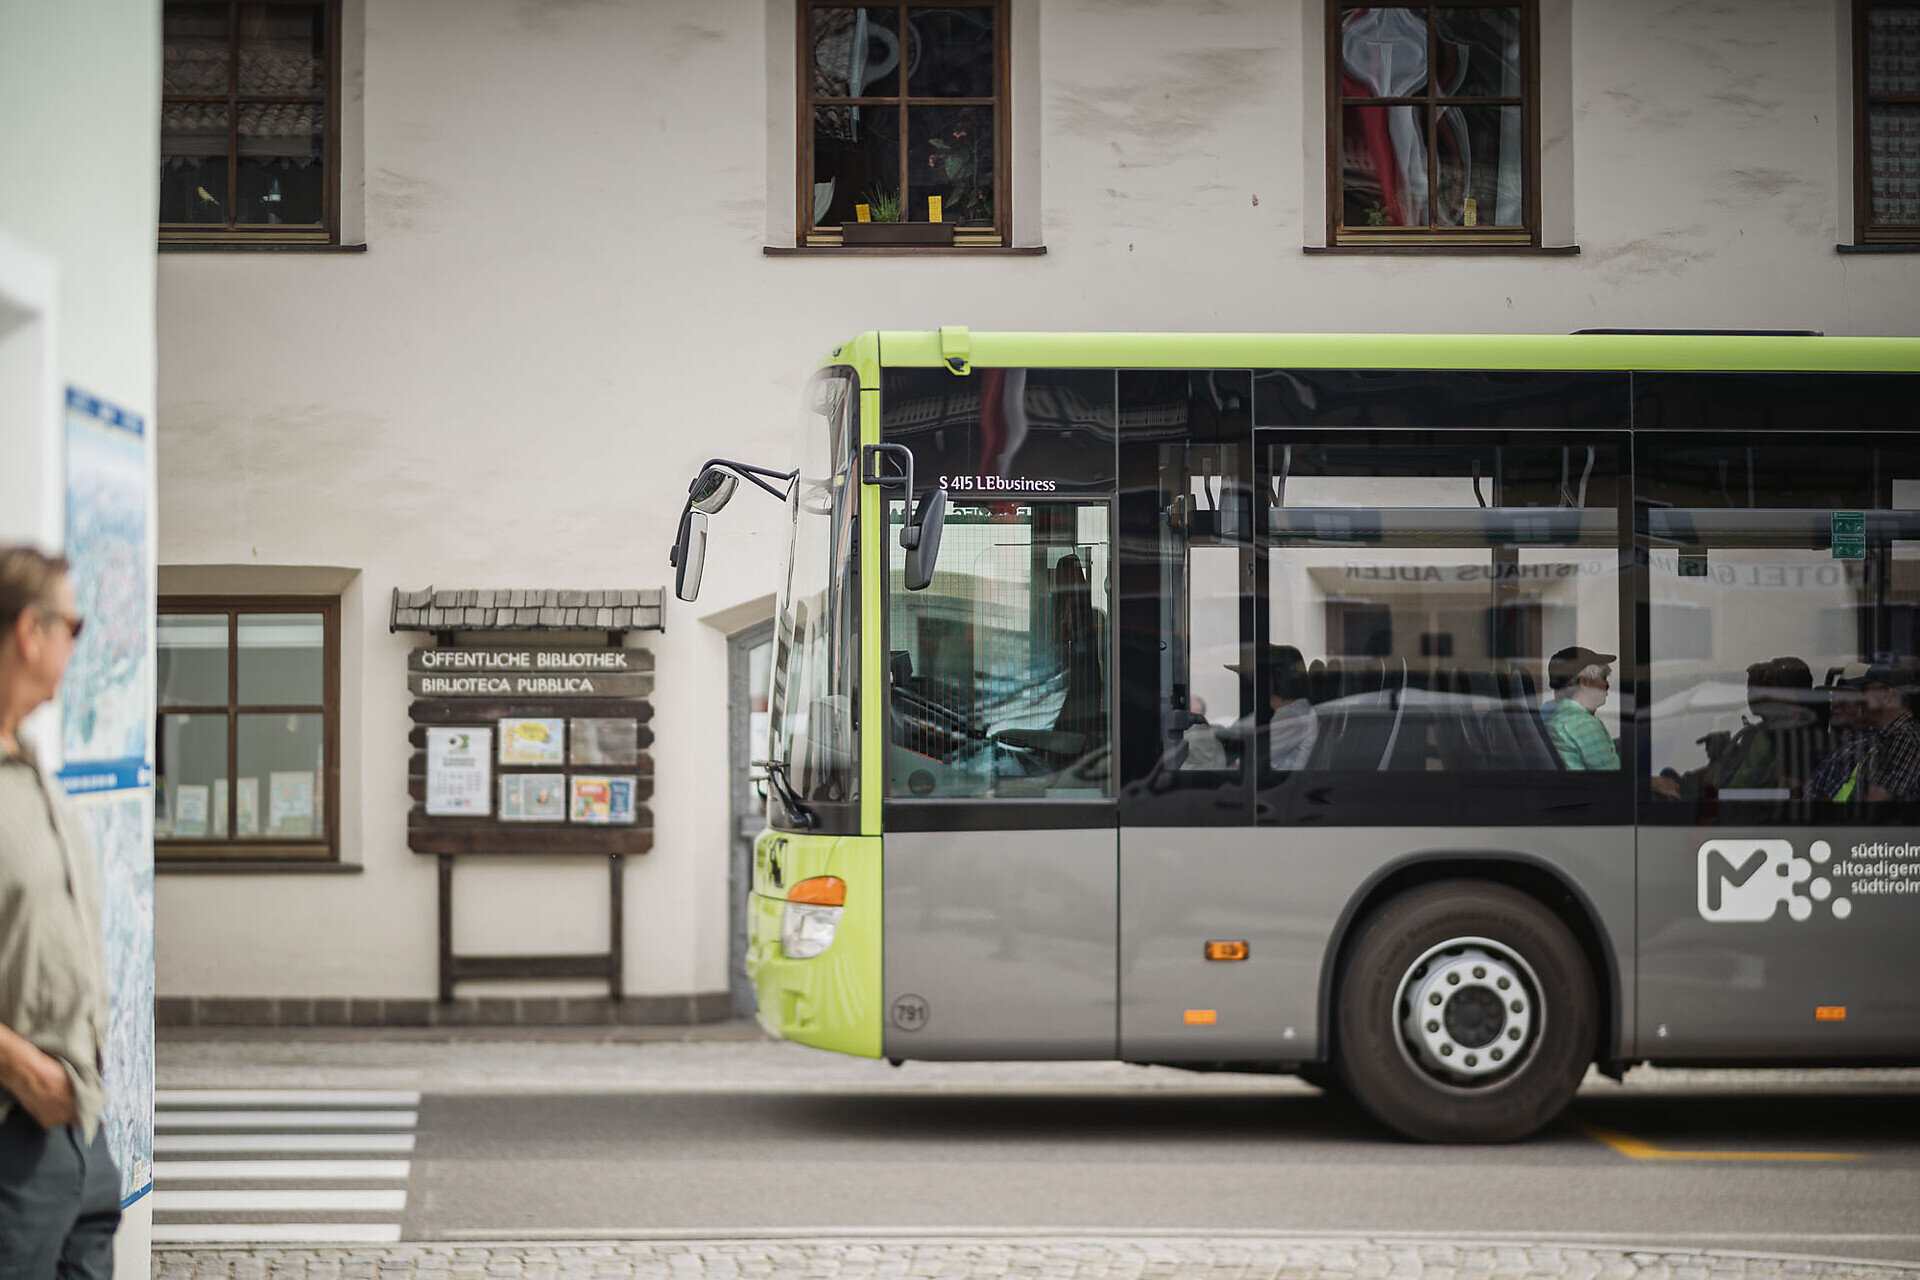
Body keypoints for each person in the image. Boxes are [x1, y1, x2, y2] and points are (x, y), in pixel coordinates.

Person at [0, 545, 119, 1276]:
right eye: (73, 626)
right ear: (28, 632)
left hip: (80, 1131)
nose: (79, 646)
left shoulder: (30, 769)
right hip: (14, 1135)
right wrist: (18, 1068)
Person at [1544, 645, 1619, 771]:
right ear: (1584, 683)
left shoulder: (1554, 717)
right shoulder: (1585, 724)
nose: (1607, 684)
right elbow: (1616, 778)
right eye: (1604, 677)